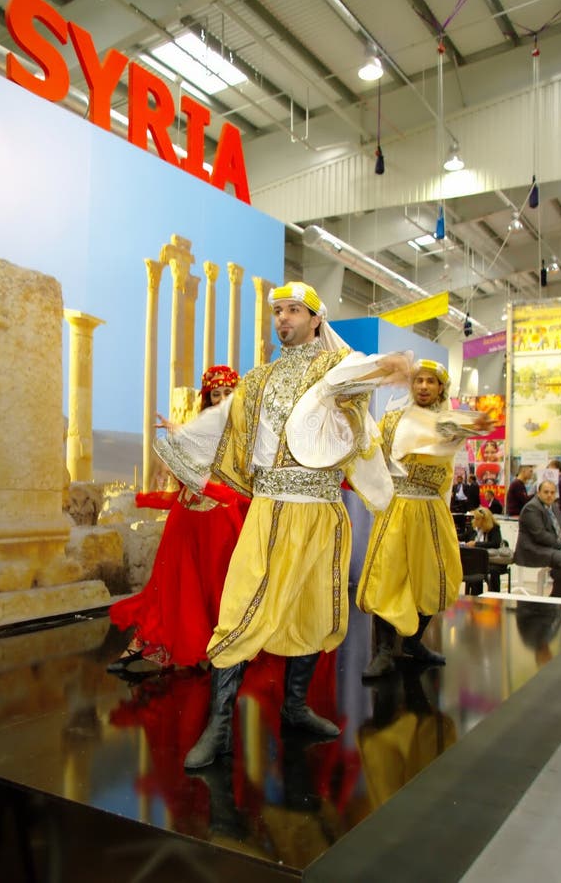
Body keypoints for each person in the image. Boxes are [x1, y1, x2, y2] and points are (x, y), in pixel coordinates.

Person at [154, 281, 412, 769]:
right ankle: (220, 727)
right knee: (239, 609)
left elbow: (354, 374)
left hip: (321, 513)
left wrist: (388, 366)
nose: (283, 319)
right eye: (278, 311)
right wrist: (184, 435)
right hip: (270, 510)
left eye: (294, 310)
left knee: (313, 608)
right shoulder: (258, 379)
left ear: (316, 319)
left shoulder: (334, 366)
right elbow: (224, 418)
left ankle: (295, 708)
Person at [107, 366, 248, 675]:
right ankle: (145, 643)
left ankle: (215, 648)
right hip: (186, 523)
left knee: (216, 588)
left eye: (228, 393)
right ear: (208, 399)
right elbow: (182, 482)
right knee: (168, 587)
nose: (222, 399)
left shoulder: (244, 436)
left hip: (220, 523)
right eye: (216, 394)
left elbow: (240, 487)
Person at [356, 359, 493, 679]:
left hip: (431, 511)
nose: (423, 386)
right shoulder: (391, 420)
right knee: (388, 578)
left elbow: (474, 425)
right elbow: (370, 455)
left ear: (441, 388)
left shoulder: (450, 423)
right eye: (419, 380)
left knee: (435, 578)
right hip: (397, 508)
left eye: (431, 381)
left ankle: (415, 642)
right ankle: (385, 651)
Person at [514, 480, 561, 598]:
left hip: (549, 548)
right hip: (533, 550)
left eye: (552, 492)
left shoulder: (554, 506)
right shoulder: (531, 508)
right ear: (538, 493)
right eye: (546, 492)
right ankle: (555, 598)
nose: (549, 495)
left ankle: (560, 592)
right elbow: (540, 535)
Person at [464, 506, 503, 594]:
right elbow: (464, 537)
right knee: (474, 570)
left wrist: (476, 544)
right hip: (476, 561)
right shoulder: (474, 529)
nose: (475, 521)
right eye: (475, 518)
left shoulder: (494, 528)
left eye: (478, 519)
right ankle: (475, 596)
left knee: (493, 572)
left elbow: (495, 543)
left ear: (484, 520)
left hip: (491, 561)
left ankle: (494, 596)